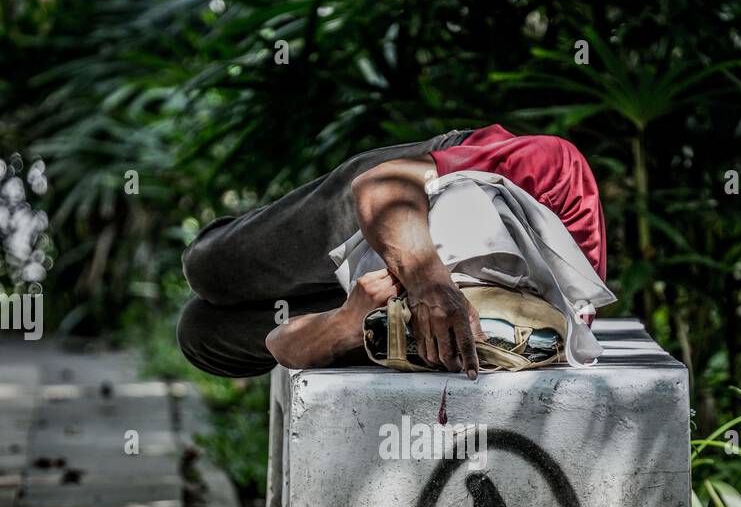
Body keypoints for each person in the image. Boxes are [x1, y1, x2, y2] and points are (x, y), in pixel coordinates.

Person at [177, 123, 606, 381]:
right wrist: (428, 283)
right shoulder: (558, 174)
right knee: (209, 268)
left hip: (400, 290)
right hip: (408, 195)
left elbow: (287, 343)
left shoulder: (518, 333)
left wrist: (346, 324)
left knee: (201, 334)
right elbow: (382, 187)